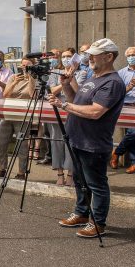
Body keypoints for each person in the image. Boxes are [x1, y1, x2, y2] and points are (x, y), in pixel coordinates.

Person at [48, 38, 126, 238]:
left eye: (94, 54)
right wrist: (66, 86)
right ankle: (81, 213)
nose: (89, 57)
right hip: (77, 138)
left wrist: (63, 105)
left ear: (109, 57)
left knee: (96, 184)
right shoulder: (93, 77)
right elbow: (76, 101)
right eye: (89, 54)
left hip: (93, 142)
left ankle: (98, 222)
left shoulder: (112, 82)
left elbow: (95, 112)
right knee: (80, 180)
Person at [0, 55, 37, 178]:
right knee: (1, 143)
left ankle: (21, 172)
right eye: (23, 65)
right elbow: (6, 94)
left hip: (23, 114)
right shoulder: (13, 77)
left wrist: (31, 80)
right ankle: (2, 168)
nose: (24, 68)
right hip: (8, 113)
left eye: (27, 65)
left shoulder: (34, 78)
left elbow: (32, 94)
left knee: (22, 144)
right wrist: (15, 82)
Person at [47, 49, 75, 185]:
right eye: (63, 57)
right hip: (56, 110)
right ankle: (59, 173)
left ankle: (70, 173)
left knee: (71, 142)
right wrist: (64, 82)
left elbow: (79, 92)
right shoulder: (54, 73)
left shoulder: (81, 72)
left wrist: (70, 79)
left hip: (73, 111)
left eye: (68, 56)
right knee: (56, 141)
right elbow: (52, 90)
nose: (65, 59)